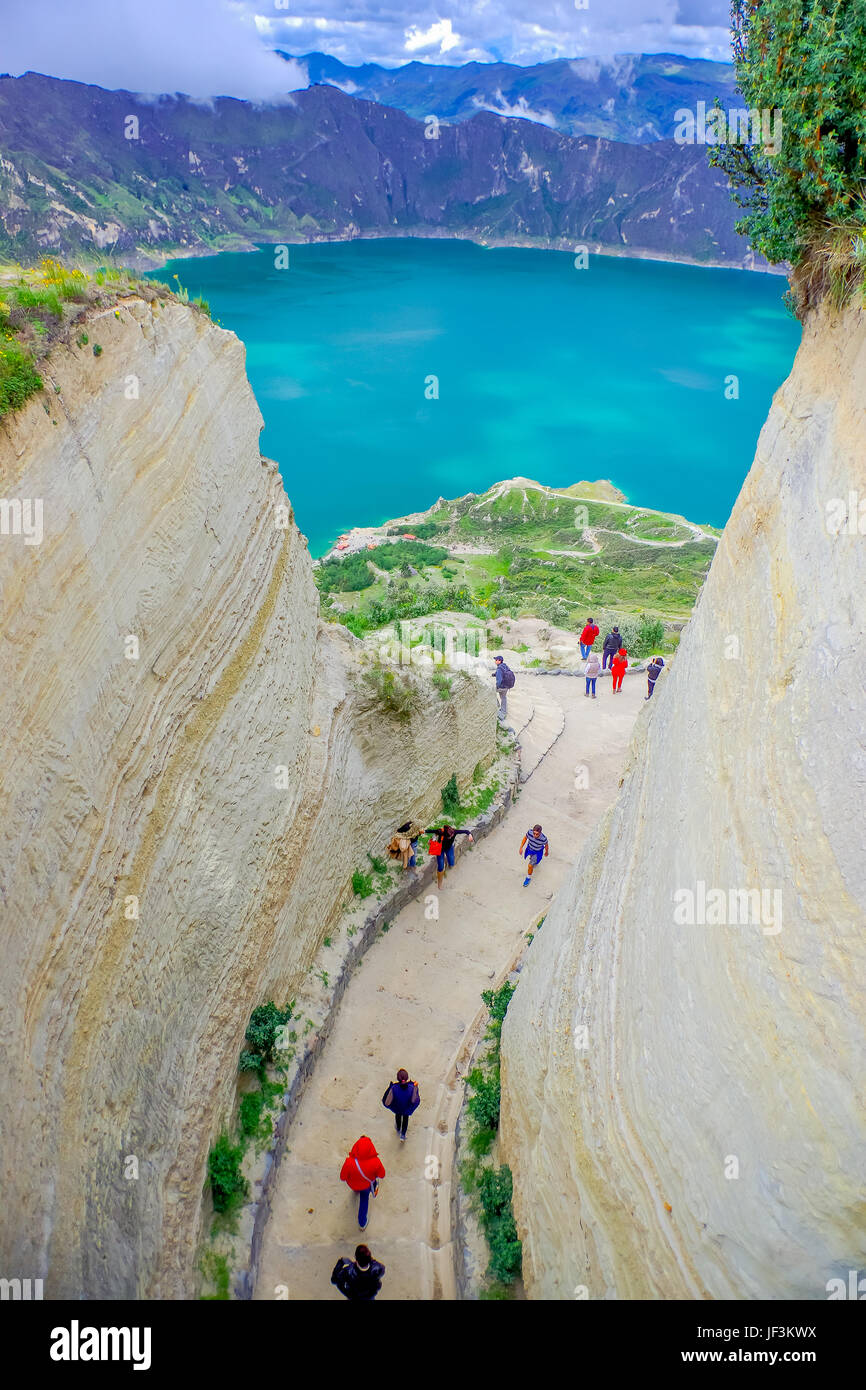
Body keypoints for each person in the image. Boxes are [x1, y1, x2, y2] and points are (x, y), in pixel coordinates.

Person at [340, 1136, 386, 1230]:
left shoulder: (349, 1162)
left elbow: (342, 1177)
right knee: (364, 1201)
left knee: (356, 1188)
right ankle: (362, 1223)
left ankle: (355, 1190)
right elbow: (382, 1175)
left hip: (353, 1184)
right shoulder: (376, 1162)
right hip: (366, 1186)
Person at [425, 823, 474, 889]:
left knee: (452, 863)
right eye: (449, 836)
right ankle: (440, 884)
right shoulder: (440, 832)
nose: (451, 837)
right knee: (440, 867)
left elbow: (466, 831)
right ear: (444, 834)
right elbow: (430, 831)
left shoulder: (454, 832)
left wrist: (470, 835)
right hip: (440, 849)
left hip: (449, 848)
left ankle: (446, 863)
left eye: (452, 835)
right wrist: (423, 831)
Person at [382, 1068, 421, 1140]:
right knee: (405, 1120)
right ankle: (403, 1135)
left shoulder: (394, 1088)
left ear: (398, 1078)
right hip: (407, 1109)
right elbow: (413, 1100)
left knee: (398, 1117)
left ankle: (398, 1129)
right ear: (407, 1077)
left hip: (397, 1108)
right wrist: (415, 1088)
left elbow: (387, 1102)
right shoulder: (412, 1087)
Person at [492, 654, 515, 720]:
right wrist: (494, 674)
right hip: (507, 686)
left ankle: (497, 706)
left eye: (496, 660)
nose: (495, 661)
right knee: (503, 697)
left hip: (502, 686)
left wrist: (496, 687)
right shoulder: (505, 666)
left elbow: (499, 680)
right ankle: (504, 712)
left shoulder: (499, 668)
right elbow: (501, 673)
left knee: (491, 692)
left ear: (499, 661)